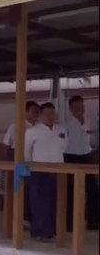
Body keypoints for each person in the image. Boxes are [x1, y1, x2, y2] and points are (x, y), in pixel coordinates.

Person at [25, 102, 68, 242]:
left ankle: (53, 231)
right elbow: (26, 151)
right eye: (47, 114)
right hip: (38, 169)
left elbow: (64, 148)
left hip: (57, 169)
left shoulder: (61, 130)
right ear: (41, 115)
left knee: (55, 201)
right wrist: (30, 167)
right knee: (39, 201)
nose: (50, 116)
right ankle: (39, 231)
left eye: (52, 113)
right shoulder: (32, 131)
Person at [62, 95, 99, 230]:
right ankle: (69, 223)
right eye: (77, 107)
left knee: (93, 189)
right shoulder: (65, 124)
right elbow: (62, 144)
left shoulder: (88, 121)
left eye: (82, 106)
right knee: (71, 191)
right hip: (71, 157)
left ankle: (93, 221)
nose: (80, 109)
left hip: (86, 157)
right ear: (71, 109)